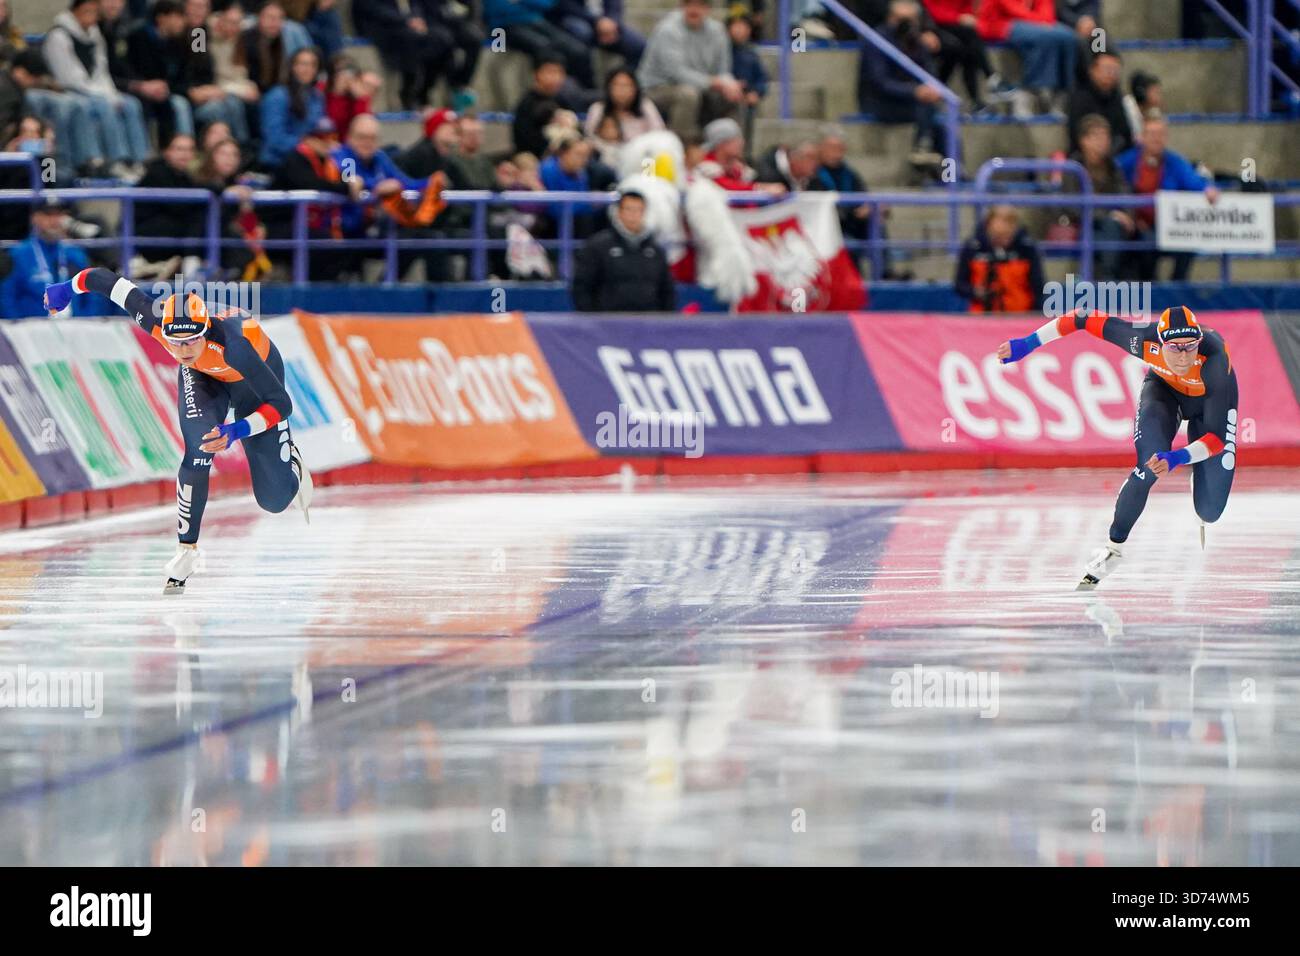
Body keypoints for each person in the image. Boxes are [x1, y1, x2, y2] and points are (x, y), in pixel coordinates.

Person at [43, 267, 313, 593]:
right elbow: (107, 281)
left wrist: (238, 430)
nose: (183, 349)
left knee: (274, 500)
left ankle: (291, 464)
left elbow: (281, 404)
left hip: (253, 385)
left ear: (205, 330)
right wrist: (67, 288)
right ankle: (186, 549)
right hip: (203, 378)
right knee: (198, 447)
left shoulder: (235, 346)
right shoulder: (156, 323)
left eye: (191, 341)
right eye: (175, 342)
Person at [997, 305, 1239, 588]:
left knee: (1209, 512)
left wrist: (1178, 457)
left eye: (1190, 347)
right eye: (1174, 348)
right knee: (1148, 467)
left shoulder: (1215, 359)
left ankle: (1197, 472)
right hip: (1164, 393)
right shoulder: (1139, 338)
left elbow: (1216, 440)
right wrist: (1028, 343)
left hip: (1207, 409)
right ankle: (1113, 550)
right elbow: (1080, 318)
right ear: (1159, 344)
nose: (1184, 357)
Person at [43, 0, 150, 179]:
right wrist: (104, 96)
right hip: (70, 90)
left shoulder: (95, 34)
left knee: (130, 103)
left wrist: (112, 94)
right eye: (87, 12)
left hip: (96, 90)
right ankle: (117, 159)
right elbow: (70, 76)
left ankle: (140, 160)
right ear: (75, 11)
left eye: (94, 12)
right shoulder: (59, 36)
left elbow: (102, 71)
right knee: (104, 106)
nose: (91, 17)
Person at [1116, 109, 1219, 281]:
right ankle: (1150, 290)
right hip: (1136, 225)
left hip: (1168, 225)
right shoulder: (1127, 162)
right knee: (1146, 243)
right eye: (1151, 134)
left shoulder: (1174, 162)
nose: (1156, 139)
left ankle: (1177, 288)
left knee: (1187, 243)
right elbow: (1113, 184)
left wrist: (1208, 190)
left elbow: (1193, 181)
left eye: (1160, 134)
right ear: (1141, 136)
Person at [857, 1, 947, 168]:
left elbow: (929, 73)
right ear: (891, 18)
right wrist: (914, 91)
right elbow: (880, 82)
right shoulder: (876, 40)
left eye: (911, 20)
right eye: (902, 20)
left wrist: (931, 89)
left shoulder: (917, 41)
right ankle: (921, 148)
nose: (907, 25)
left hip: (912, 102)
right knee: (927, 111)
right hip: (879, 103)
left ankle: (952, 174)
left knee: (944, 124)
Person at [638, 0, 741, 142]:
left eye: (700, 5)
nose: (694, 10)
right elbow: (676, 73)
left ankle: (731, 150)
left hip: (701, 87)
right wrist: (713, 82)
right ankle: (681, 148)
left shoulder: (718, 31)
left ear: (708, 9)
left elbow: (723, 70)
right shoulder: (668, 30)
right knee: (688, 94)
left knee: (733, 95)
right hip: (657, 87)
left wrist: (729, 84)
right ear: (682, 7)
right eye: (690, 4)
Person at [572, 189, 676, 312]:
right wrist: (593, 320)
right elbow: (582, 286)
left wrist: (662, 319)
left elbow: (667, 289)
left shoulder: (655, 250)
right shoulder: (598, 246)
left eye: (638, 210)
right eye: (629, 209)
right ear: (619, 212)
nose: (633, 215)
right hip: (607, 324)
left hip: (647, 324)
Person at [978, 0, 1077, 117]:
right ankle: (1030, 91)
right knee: (1043, 37)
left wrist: (1043, 21)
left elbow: (1046, 9)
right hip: (1000, 23)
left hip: (1032, 22)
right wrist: (1040, 22)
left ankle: (1060, 93)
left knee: (1069, 38)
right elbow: (1012, 9)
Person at [1063, 113, 1133, 280]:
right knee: (1108, 233)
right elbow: (1072, 206)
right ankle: (1108, 281)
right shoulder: (1073, 168)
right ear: (1083, 140)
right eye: (1097, 136)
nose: (1103, 141)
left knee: (1120, 233)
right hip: (1084, 225)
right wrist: (1108, 215)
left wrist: (1128, 216)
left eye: (1105, 136)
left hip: (1112, 227)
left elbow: (1125, 195)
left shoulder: (1113, 167)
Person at [0, 196, 91, 319]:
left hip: (74, 330)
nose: (54, 221)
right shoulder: (18, 254)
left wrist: (87, 324)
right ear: (35, 218)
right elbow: (7, 297)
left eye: (58, 215)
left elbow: (91, 296)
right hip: (31, 331)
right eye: (48, 215)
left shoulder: (75, 254)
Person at [954, 205, 1043, 312]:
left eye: (1008, 235)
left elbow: (1038, 286)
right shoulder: (972, 248)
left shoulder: (1027, 249)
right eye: (999, 235)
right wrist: (976, 292)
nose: (1004, 240)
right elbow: (960, 284)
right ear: (989, 226)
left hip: (1020, 316)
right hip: (981, 317)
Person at [259, 46, 324, 168]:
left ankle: (352, 183)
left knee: (346, 160)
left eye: (312, 65)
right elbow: (275, 139)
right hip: (278, 162)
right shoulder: (277, 96)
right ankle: (344, 187)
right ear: (292, 67)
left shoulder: (316, 96)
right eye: (302, 64)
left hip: (307, 159)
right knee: (329, 184)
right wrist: (307, 145)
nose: (307, 69)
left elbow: (319, 129)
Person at [923, 0, 993, 110]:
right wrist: (958, 18)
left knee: (969, 46)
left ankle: (976, 99)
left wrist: (967, 17)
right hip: (931, 27)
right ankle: (990, 78)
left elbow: (966, 7)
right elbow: (928, 10)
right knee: (964, 42)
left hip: (958, 27)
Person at [1067, 50, 1131, 156]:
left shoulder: (1117, 97)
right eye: (1107, 69)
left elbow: (1124, 134)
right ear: (1093, 70)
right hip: (1084, 155)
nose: (1111, 74)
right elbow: (1076, 134)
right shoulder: (1080, 98)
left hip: (1115, 155)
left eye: (1115, 70)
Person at [582, 68, 665, 142]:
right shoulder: (597, 108)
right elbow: (589, 137)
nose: (622, 91)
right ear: (608, 88)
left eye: (626, 86)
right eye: (617, 85)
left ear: (635, 89)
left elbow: (659, 133)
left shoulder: (645, 105)